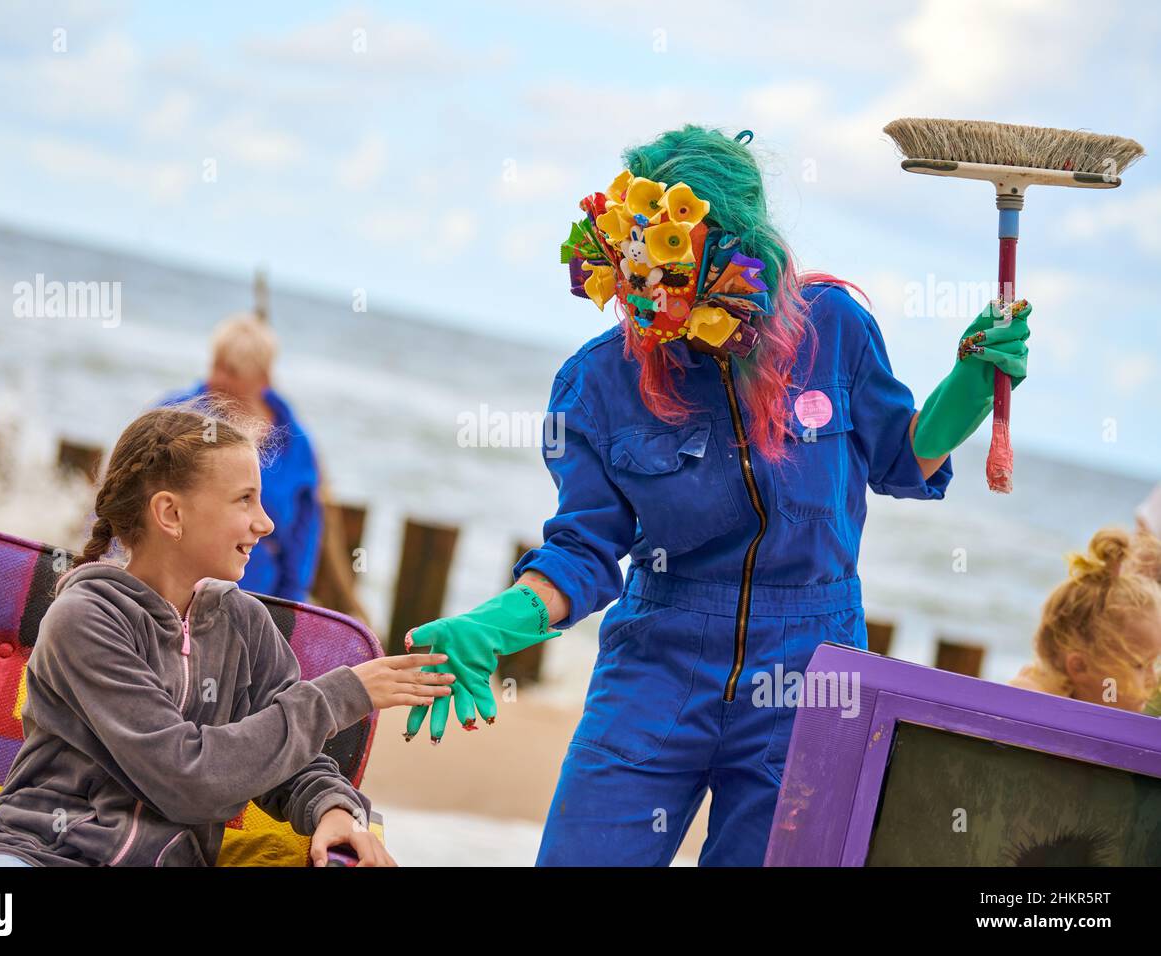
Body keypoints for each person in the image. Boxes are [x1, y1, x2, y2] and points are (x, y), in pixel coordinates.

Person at [402, 124, 1035, 866]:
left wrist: (969, 386)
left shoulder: (834, 329)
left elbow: (902, 457)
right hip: (656, 665)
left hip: (811, 671)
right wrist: (498, 623)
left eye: (670, 263)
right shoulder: (596, 382)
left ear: (737, 254)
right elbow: (584, 549)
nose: (644, 293)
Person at [0, 403, 453, 866]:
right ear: (171, 514)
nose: (266, 523)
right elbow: (183, 776)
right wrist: (344, 693)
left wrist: (331, 806)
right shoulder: (84, 620)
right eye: (245, 500)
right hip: (36, 852)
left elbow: (285, 755)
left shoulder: (244, 624)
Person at [161, 313, 321, 601]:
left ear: (262, 379)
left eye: (232, 371)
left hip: (254, 595)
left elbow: (302, 535)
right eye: (216, 365)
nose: (217, 378)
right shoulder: (175, 413)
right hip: (172, 584)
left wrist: (289, 602)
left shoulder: (295, 444)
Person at [1010, 527, 1161, 713]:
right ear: (1079, 667)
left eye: (1153, 664)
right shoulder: (1032, 710)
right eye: (1139, 666)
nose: (1153, 681)